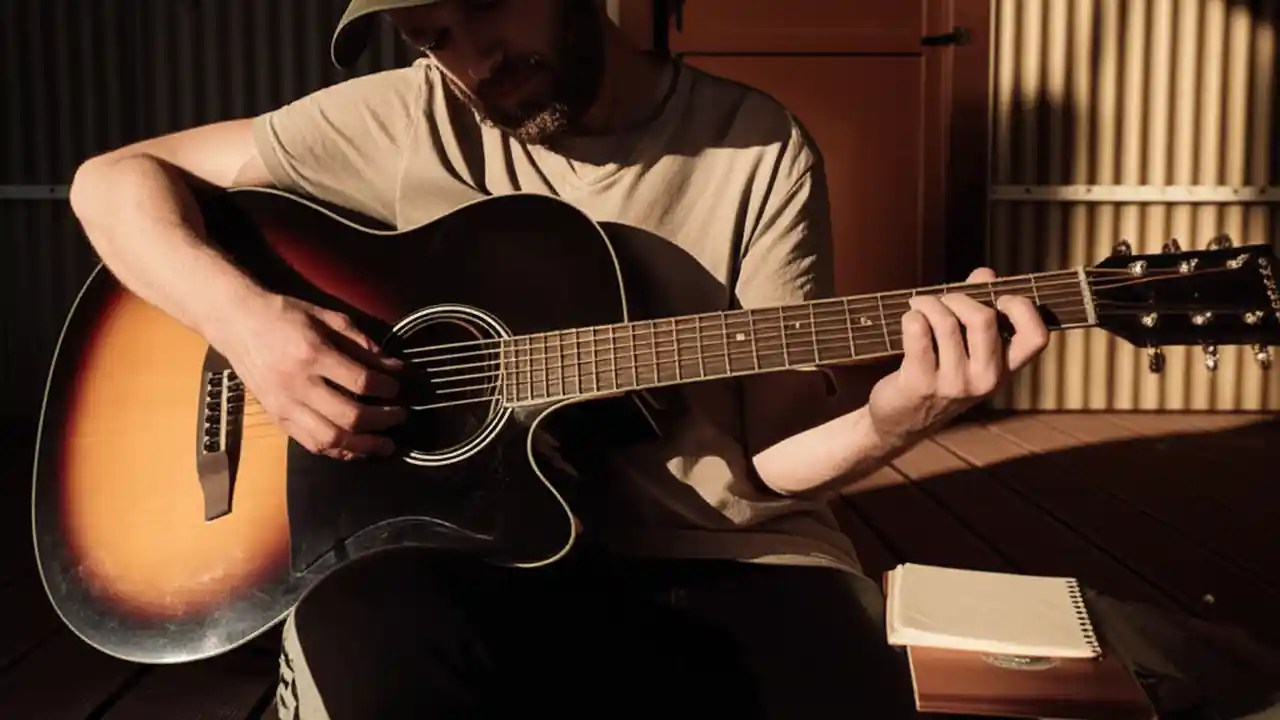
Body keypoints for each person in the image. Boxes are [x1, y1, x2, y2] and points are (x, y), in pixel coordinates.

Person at [67, 1, 1057, 717]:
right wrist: (249, 326)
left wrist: (897, 416)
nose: (472, 59)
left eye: (486, 7)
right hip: (468, 552)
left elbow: (769, 456)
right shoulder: (403, 117)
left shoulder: (753, 147)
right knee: (363, 635)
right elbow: (111, 182)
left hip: (726, 554)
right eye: (431, 36)